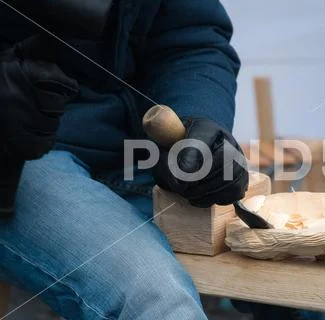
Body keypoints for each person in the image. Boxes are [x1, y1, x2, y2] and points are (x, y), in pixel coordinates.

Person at [0, 0, 248, 319]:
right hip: (20, 155)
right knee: (157, 300)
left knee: (300, 269)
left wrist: (197, 117)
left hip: (142, 149)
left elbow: (191, 39)